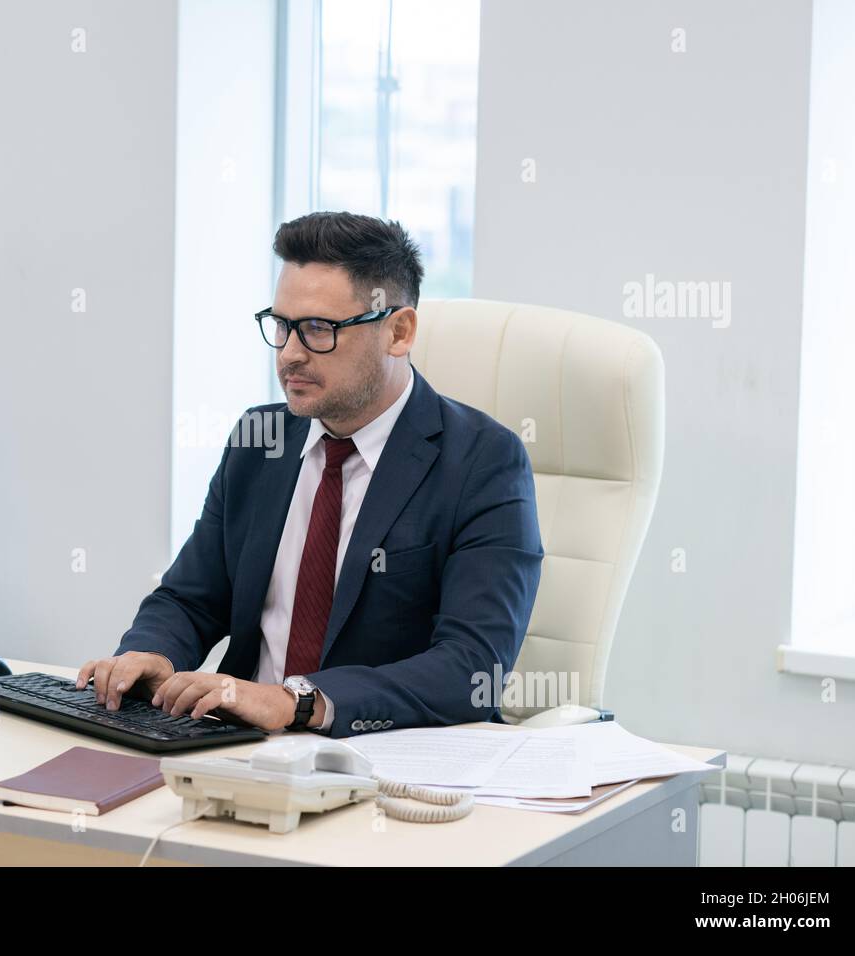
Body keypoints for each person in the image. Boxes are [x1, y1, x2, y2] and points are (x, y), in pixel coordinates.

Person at [77, 211, 542, 738]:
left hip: (381, 763)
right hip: (232, 749)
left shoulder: (484, 461)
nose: (290, 354)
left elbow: (471, 668)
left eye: (320, 329)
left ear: (398, 331)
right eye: (282, 326)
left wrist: (296, 701)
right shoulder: (261, 439)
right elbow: (191, 597)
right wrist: (153, 653)